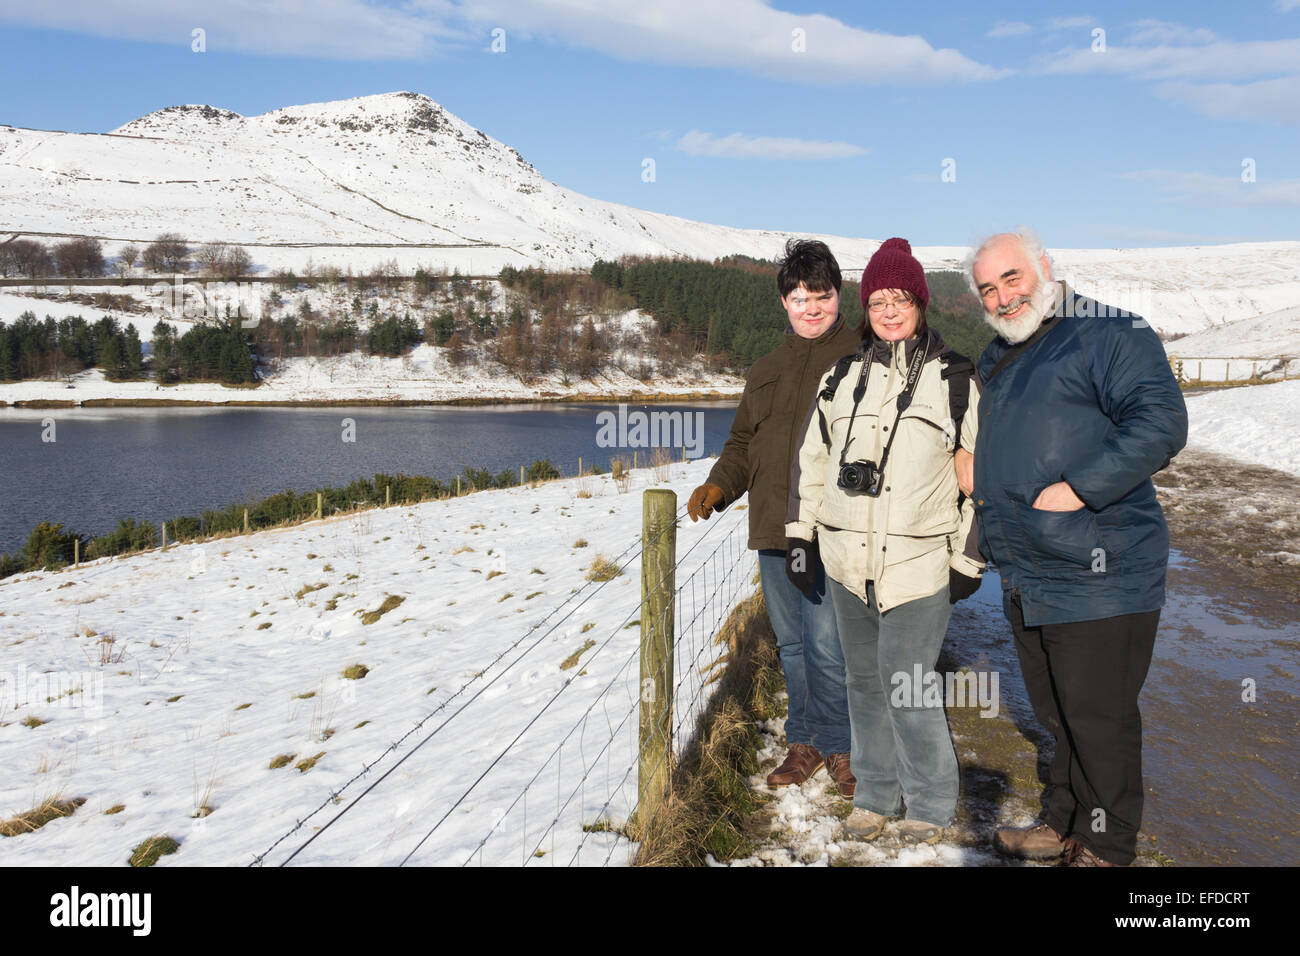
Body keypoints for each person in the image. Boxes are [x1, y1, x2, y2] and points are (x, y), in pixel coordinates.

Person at [964, 227, 1188, 867]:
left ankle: (1107, 848)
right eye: (988, 289)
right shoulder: (1001, 354)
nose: (1003, 297)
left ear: (1045, 269)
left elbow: (1161, 421)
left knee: (1100, 720)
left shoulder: (1111, 333)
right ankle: (1064, 822)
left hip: (1100, 567)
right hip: (1030, 571)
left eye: (1012, 278)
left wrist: (1079, 489)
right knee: (1058, 715)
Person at [785, 238, 985, 844]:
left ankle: (928, 802)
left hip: (919, 566)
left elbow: (983, 477)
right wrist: (801, 537)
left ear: (921, 303)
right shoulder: (841, 377)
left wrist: (969, 557)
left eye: (900, 299)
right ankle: (874, 793)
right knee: (863, 684)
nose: (889, 311)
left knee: (909, 686)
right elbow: (811, 462)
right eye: (877, 301)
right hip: (847, 561)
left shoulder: (956, 380)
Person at [687, 239, 857, 796]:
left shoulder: (865, 353)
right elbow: (742, 444)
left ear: (839, 296)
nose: (812, 307)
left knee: (833, 643)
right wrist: (719, 485)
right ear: (784, 301)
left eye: (822, 295)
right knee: (792, 643)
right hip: (774, 528)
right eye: (800, 296)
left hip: (836, 528)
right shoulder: (764, 369)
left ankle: (843, 746)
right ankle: (805, 741)